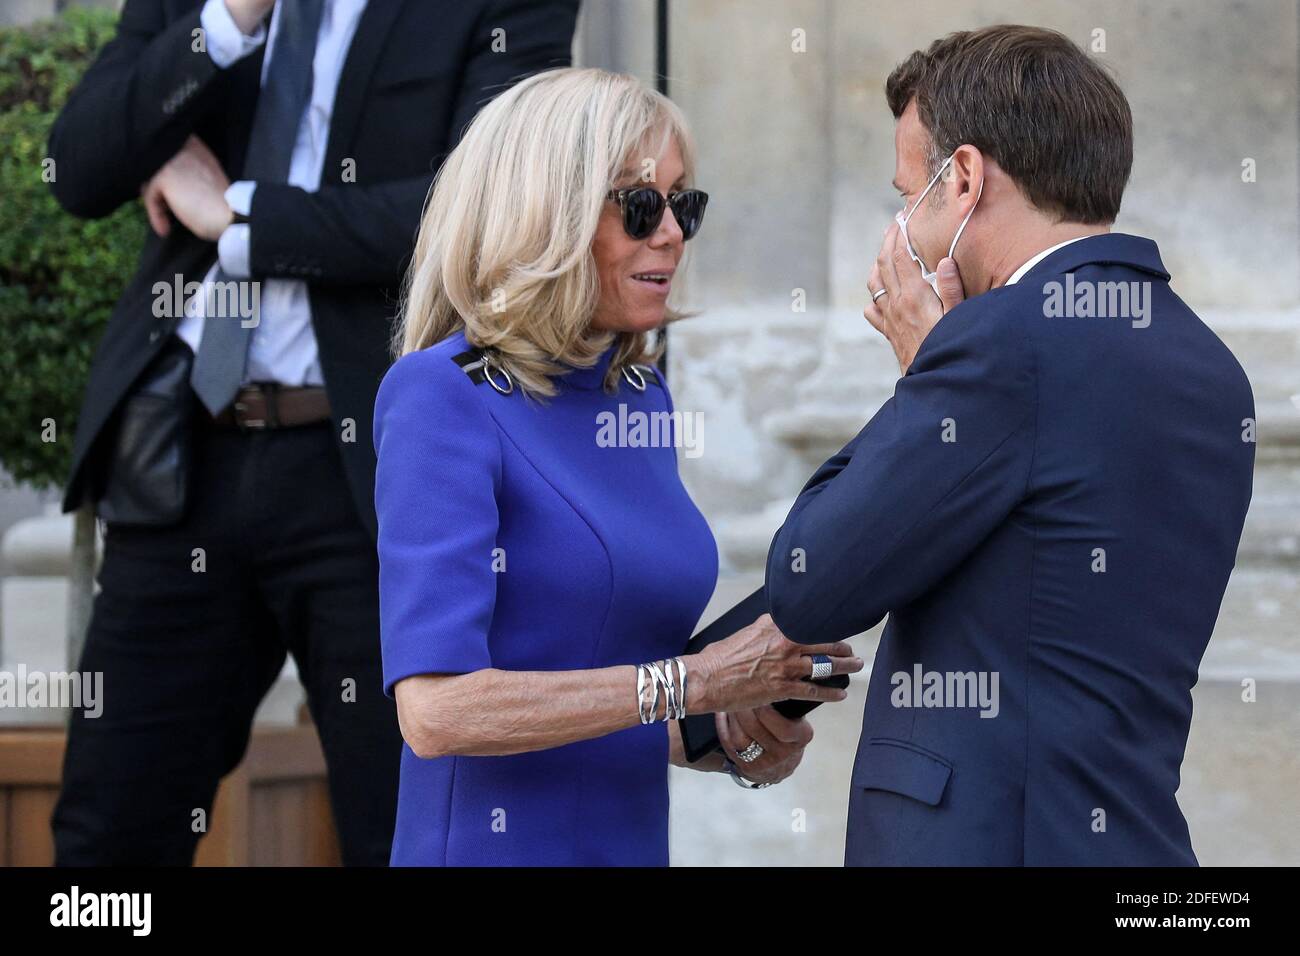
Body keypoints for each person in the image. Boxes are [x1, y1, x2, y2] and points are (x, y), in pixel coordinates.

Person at [47, 0, 578, 866]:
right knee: (107, 834)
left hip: (377, 473)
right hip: (185, 456)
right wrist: (228, 21)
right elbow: (77, 166)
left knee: (405, 825)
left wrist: (243, 222)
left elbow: (487, 209)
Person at [763, 25, 1255, 865]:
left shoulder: (1001, 345)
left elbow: (811, 583)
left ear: (962, 178)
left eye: (906, 193)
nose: (902, 230)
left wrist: (927, 375)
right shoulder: (1211, 363)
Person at [374, 67, 864, 866]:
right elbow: (438, 712)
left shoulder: (640, 395)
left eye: (684, 204)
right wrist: (695, 684)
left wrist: (732, 735)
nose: (669, 231)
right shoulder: (440, 396)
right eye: (640, 205)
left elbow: (615, 693)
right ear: (545, 215)